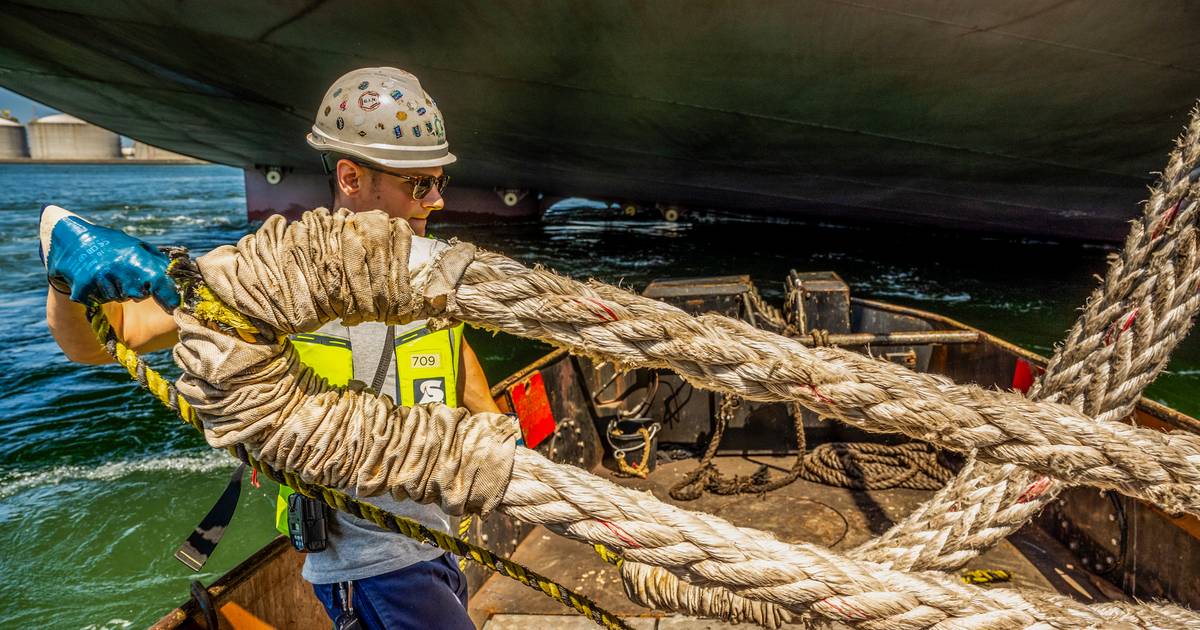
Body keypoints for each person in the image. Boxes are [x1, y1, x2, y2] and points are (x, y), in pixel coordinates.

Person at [43, 67, 494, 630]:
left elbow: (448, 346)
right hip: (370, 566)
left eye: (439, 182)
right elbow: (114, 338)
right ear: (351, 177)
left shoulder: (423, 266)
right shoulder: (275, 279)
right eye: (419, 185)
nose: (437, 202)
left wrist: (498, 433)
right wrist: (65, 281)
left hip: (437, 539)